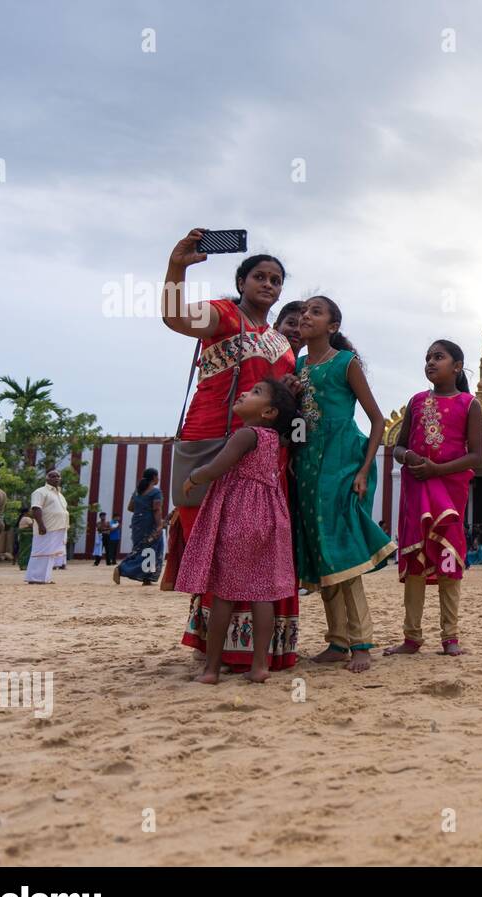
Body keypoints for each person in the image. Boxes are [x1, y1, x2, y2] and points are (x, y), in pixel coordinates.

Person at [161, 236, 300, 673]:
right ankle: (215, 651)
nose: (269, 285)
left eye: (276, 280)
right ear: (241, 281)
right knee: (214, 548)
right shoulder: (223, 314)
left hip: (260, 458)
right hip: (208, 440)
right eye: (260, 276)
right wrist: (176, 269)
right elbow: (175, 317)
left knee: (254, 549)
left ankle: (251, 654)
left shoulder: (282, 344)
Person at [292, 297, 398, 670]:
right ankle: (337, 642)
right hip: (307, 467)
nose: (306, 316)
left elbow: (378, 420)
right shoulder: (300, 366)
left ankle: (362, 642)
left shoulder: (345, 363)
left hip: (342, 465)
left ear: (333, 326)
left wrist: (364, 470)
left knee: (344, 551)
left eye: (316, 312)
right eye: (304, 311)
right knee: (322, 550)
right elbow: (299, 422)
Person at [176, 378, 298, 683]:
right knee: (263, 594)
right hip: (270, 516)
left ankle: (212, 669)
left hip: (241, 516)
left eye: (256, 392)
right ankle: (259, 666)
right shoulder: (274, 438)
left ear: (269, 412)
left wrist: (194, 476)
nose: (245, 392)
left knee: (224, 595)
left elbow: (218, 466)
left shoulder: (245, 435)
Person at [386, 338, 482, 658]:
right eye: (427, 357)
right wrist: (410, 455)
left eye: (438, 357)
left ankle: (450, 637)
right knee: (416, 558)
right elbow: (397, 448)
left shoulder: (470, 404)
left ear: (457, 366)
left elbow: (476, 456)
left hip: (450, 491)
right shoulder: (415, 402)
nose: (430, 362)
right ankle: (411, 637)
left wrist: (437, 470)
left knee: (448, 558)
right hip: (416, 489)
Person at [113, 467, 165, 586]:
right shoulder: (155, 492)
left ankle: (146, 578)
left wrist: (141, 509)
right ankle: (122, 569)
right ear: (153, 477)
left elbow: (130, 507)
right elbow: (157, 510)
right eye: (157, 476)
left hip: (137, 523)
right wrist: (159, 526)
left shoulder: (137, 491)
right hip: (149, 523)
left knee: (141, 549)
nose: (158, 478)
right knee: (151, 550)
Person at [25, 469, 69, 584]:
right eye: (53, 476)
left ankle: (45, 578)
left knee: (51, 554)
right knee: (41, 552)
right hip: (46, 528)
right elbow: (36, 508)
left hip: (58, 528)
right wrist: (41, 525)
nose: (56, 478)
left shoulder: (59, 494)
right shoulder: (40, 492)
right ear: (47, 478)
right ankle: (34, 578)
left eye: (58, 476)